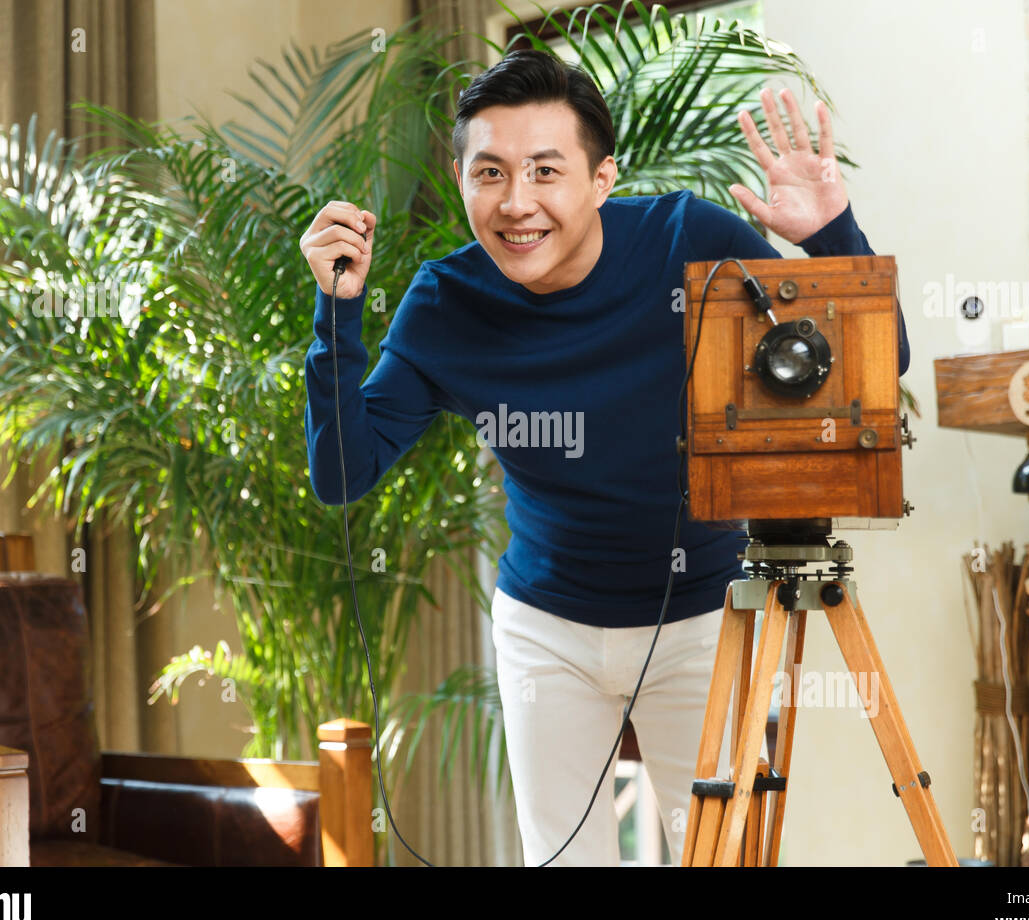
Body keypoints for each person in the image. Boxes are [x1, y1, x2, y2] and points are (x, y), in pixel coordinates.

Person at [300, 48, 910, 866]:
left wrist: (832, 232)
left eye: (546, 171)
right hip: (546, 628)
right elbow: (344, 473)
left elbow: (884, 359)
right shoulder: (446, 304)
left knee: (722, 857)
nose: (518, 204)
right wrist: (337, 314)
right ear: (461, 179)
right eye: (491, 173)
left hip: (700, 618)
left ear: (602, 179)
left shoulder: (689, 240)